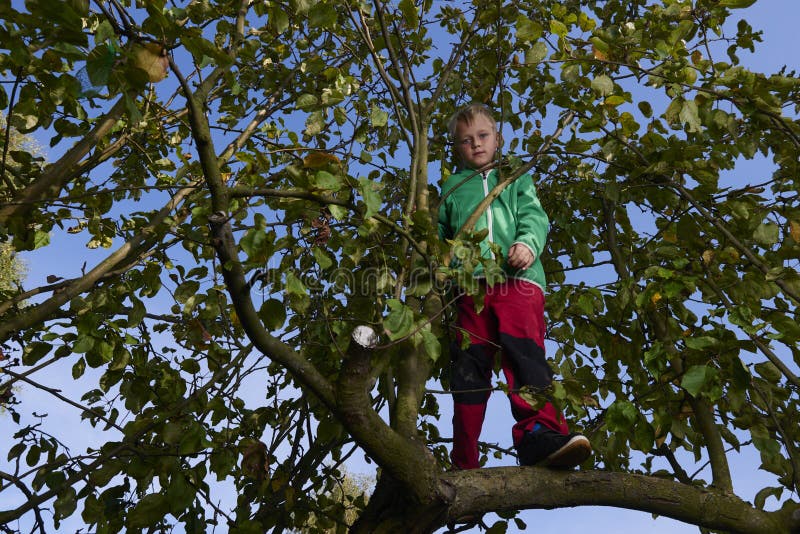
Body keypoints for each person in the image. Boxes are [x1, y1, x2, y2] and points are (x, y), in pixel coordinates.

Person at [438, 103, 591, 470]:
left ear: (498, 138)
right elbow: (439, 237)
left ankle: (539, 433)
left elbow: (534, 215)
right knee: (468, 372)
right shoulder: (451, 187)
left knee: (524, 356)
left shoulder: (515, 176)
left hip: (516, 282)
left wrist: (526, 242)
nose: (476, 144)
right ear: (456, 148)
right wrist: (436, 267)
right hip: (470, 289)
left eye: (483, 136)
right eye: (465, 140)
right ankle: (464, 462)